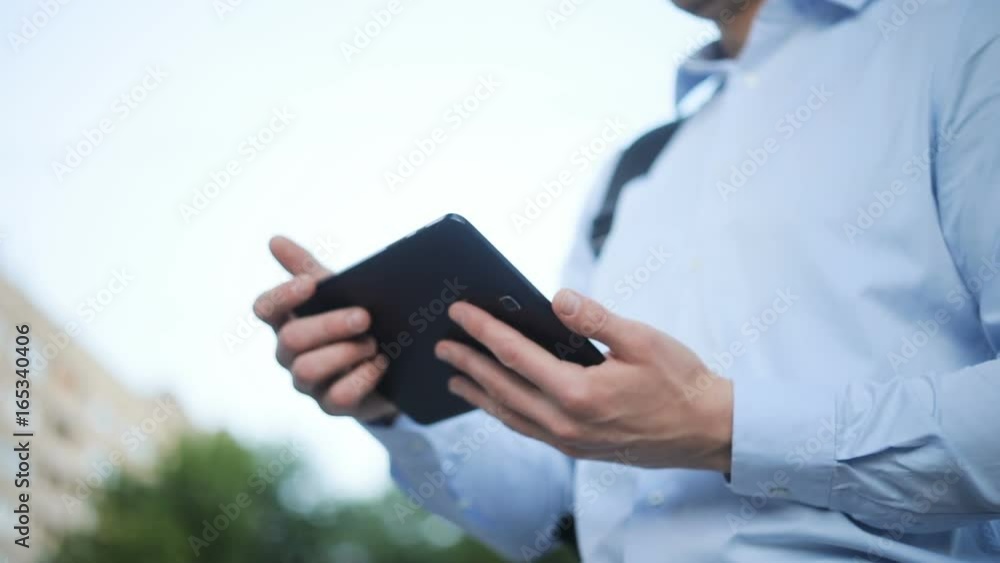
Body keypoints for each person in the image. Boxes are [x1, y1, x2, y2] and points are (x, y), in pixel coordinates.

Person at [254, 0, 1000, 560]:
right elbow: (543, 511)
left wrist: (722, 426)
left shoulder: (958, 39)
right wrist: (391, 404)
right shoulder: (635, 174)